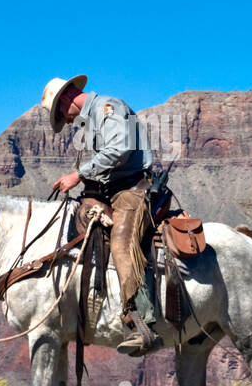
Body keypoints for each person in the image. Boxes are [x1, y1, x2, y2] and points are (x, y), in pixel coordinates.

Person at [40, 75, 161, 357]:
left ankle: (141, 322)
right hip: (112, 190)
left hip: (132, 189)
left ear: (68, 96)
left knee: (121, 242)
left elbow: (120, 148)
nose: (65, 120)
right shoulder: (91, 118)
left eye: (60, 113)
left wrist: (78, 175)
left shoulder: (107, 107)